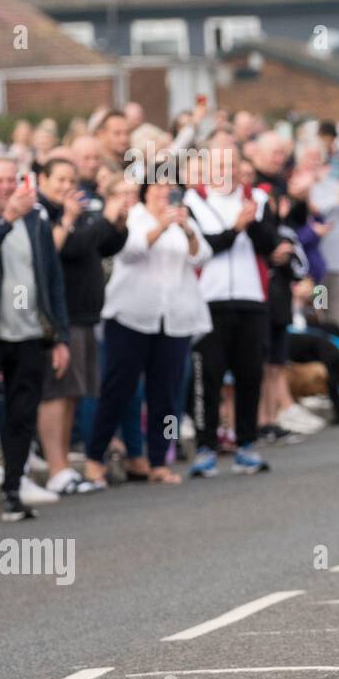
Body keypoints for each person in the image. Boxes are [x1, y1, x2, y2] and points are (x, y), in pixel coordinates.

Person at [82, 182, 213, 487]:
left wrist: (187, 230)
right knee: (118, 388)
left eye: (170, 187)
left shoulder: (185, 218)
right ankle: (94, 457)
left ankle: (159, 458)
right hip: (131, 316)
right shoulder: (135, 216)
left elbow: (201, 256)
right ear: (146, 191)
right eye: (158, 187)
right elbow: (129, 252)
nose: (164, 192)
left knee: (166, 393)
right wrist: (161, 227)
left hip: (174, 318)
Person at [0, 158, 70, 521]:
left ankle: (13, 491)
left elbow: (53, 280)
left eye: (10, 179)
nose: (5, 186)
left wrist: (59, 335)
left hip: (29, 332)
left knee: (21, 414)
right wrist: (5, 219)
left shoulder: (37, 222)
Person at [183, 131, 282, 476]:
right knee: (206, 376)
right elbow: (200, 248)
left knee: (249, 374)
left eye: (230, 165)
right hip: (207, 300)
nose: (223, 171)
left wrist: (251, 223)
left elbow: (271, 245)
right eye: (217, 165)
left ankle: (247, 443)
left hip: (251, 298)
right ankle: (206, 447)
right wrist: (235, 228)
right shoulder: (191, 202)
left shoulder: (258, 198)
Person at [34, 155, 129, 495]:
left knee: (73, 393)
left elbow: (103, 246)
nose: (66, 187)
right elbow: (66, 249)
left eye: (71, 181)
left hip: (85, 316)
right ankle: (56, 467)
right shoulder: (43, 212)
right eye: (59, 180)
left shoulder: (77, 212)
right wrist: (85, 220)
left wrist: (117, 224)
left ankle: (64, 469)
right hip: (61, 317)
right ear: (42, 180)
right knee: (56, 393)